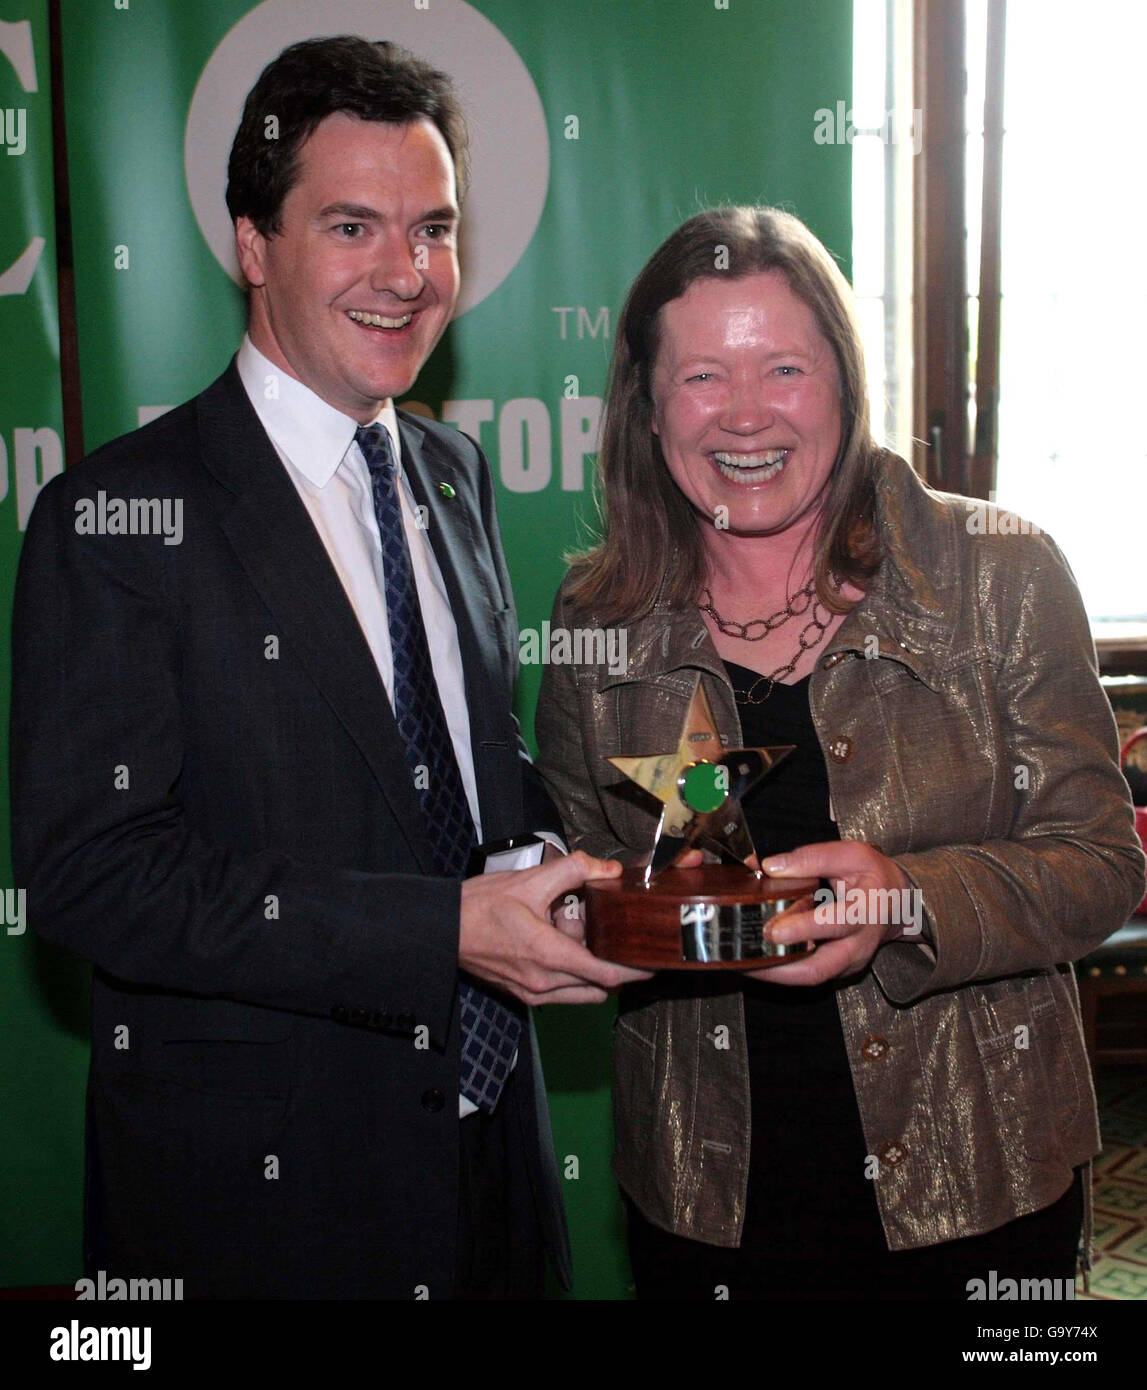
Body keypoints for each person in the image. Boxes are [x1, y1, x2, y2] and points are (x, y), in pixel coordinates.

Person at [9, 35, 637, 1301]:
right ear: (252, 244)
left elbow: (456, 766)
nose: (406, 274)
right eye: (352, 226)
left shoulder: (453, 478)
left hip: (490, 1160)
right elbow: (92, 875)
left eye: (433, 229)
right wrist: (443, 932)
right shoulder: (118, 515)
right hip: (264, 1201)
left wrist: (574, 872)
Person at [535, 205, 1146, 1300]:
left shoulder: (997, 575)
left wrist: (907, 897)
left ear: (845, 385)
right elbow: (587, 870)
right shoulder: (597, 621)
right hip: (705, 1192)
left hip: (979, 1179)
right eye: (702, 377)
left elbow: (1101, 862)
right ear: (646, 406)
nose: (747, 415)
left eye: (784, 367)